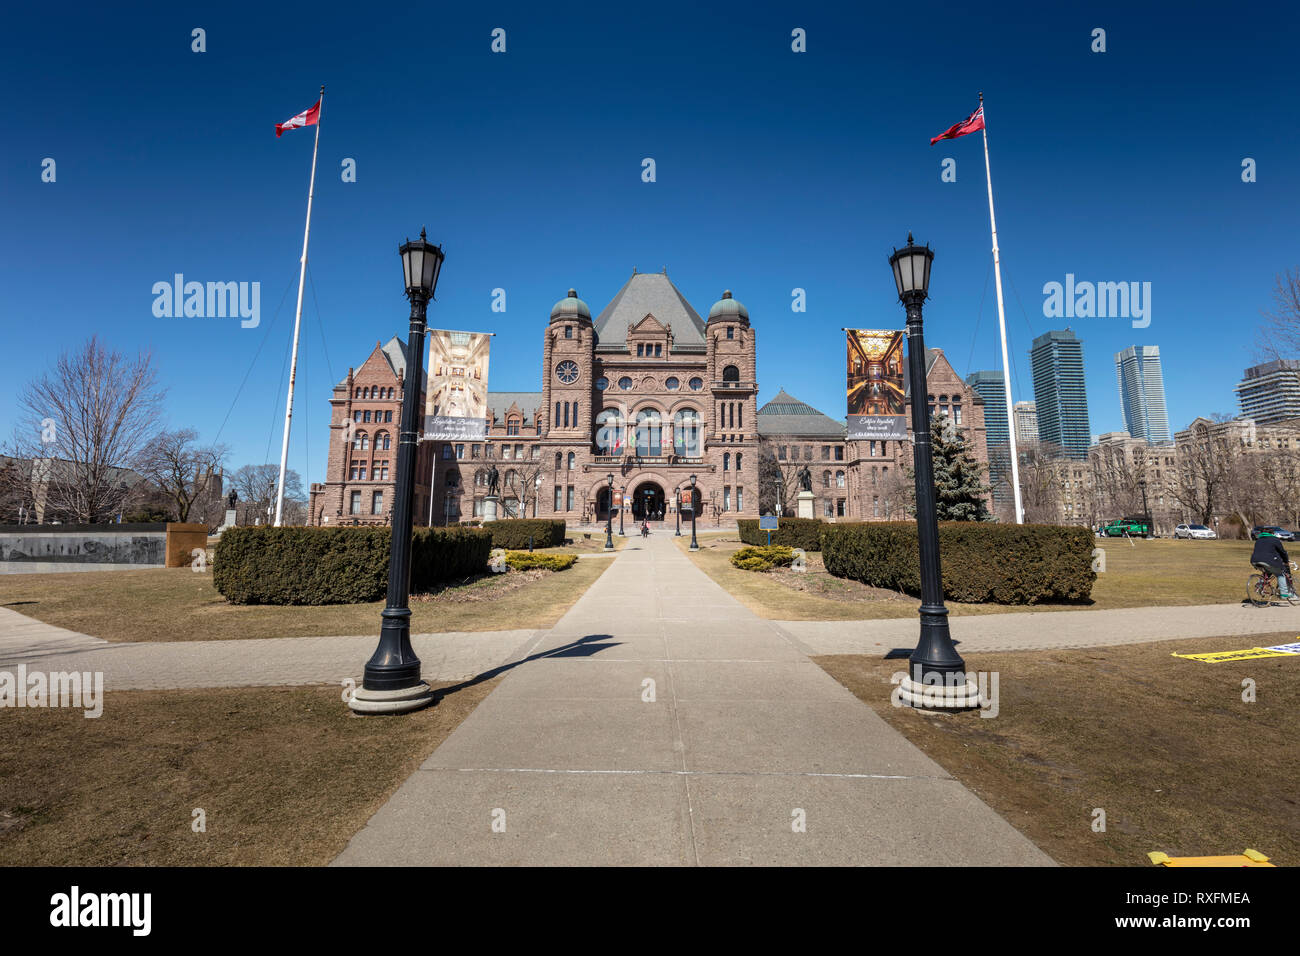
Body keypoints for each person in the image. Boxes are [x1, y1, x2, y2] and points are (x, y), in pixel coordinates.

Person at [1251, 529, 1294, 597]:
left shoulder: (1258, 540)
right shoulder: (1274, 539)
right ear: (1272, 534)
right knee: (1280, 574)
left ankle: (1260, 584)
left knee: (1267, 571)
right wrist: (1286, 561)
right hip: (1267, 561)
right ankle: (1284, 593)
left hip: (1254, 561)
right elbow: (1282, 552)